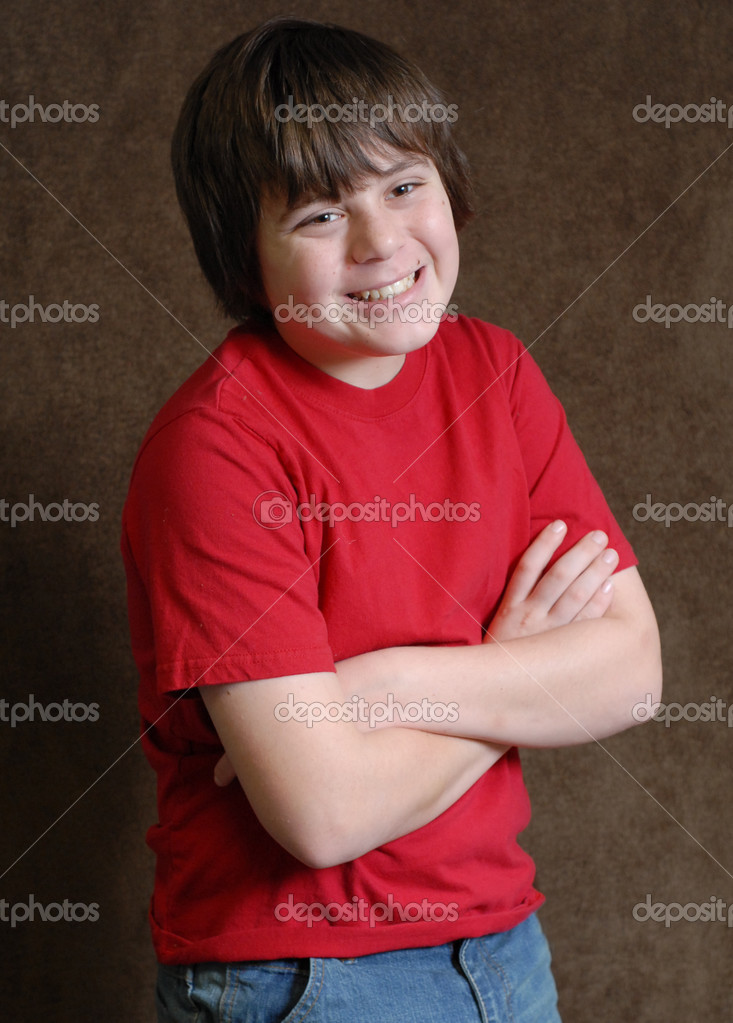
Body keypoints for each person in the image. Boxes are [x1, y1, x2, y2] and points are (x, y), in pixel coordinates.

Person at [121, 17, 662, 1022]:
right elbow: (324, 816)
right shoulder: (216, 446)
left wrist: (376, 688)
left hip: (503, 947)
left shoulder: (493, 371)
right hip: (307, 978)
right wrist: (515, 668)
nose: (381, 243)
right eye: (320, 215)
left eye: (403, 186)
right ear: (245, 257)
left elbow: (630, 677)